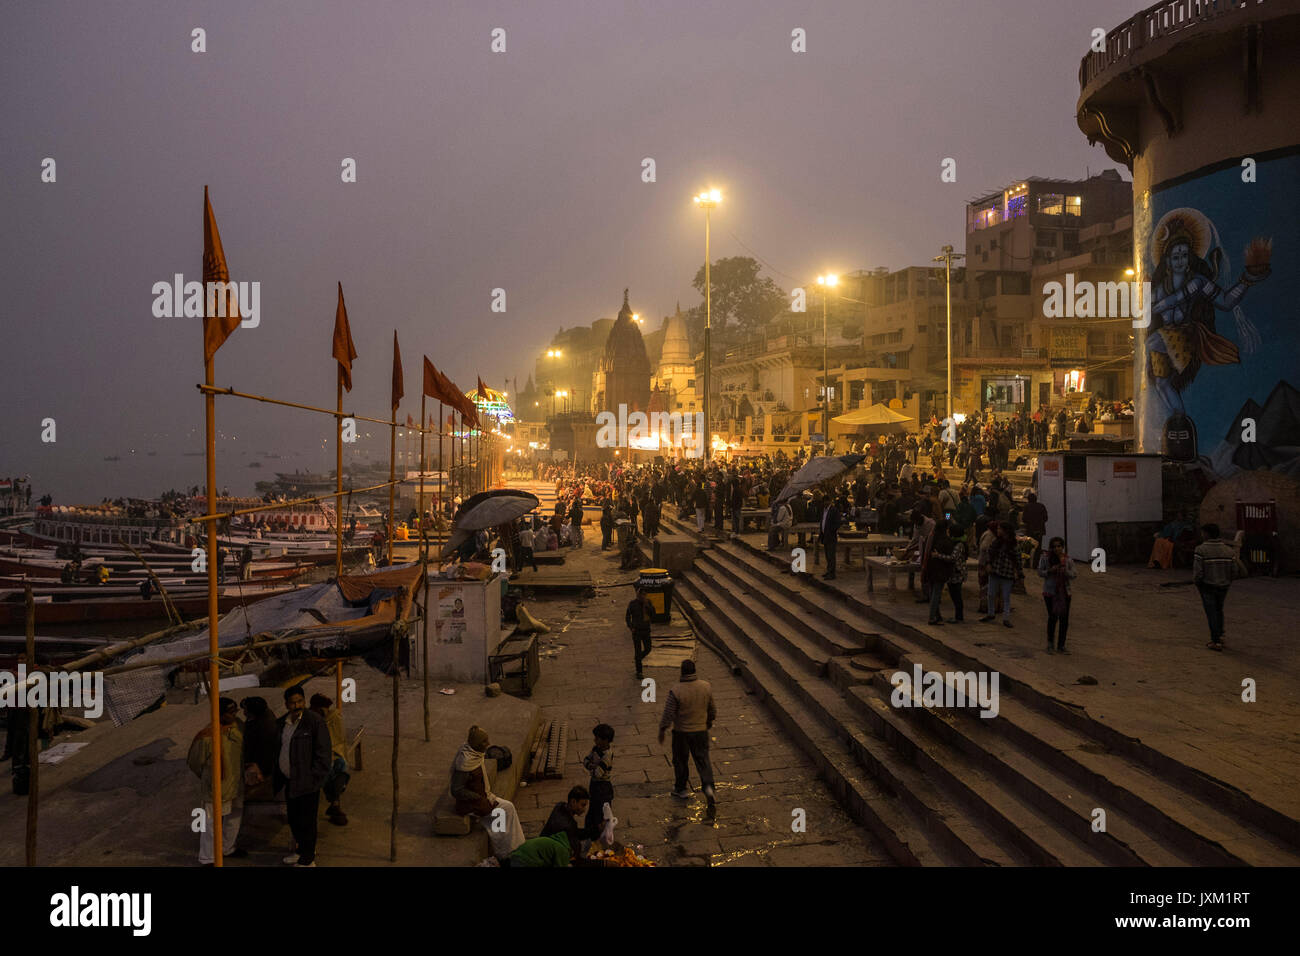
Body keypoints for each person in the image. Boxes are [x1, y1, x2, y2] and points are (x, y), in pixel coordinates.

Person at [274, 686, 333, 867]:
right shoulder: (283, 723)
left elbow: (324, 753)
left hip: (307, 783)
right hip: (290, 781)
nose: (297, 705)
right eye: (293, 702)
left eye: (300, 701)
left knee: (307, 822)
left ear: (304, 701)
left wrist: (315, 779)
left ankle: (308, 860)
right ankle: (301, 852)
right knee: (294, 819)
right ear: (286, 704)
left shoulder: (314, 722)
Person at [449, 725, 524, 863]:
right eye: (484, 741)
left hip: (482, 798)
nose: (488, 744)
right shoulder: (465, 762)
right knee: (502, 812)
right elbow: (456, 790)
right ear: (476, 744)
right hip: (471, 804)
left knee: (508, 807)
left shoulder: (474, 755)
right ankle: (502, 851)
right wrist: (476, 797)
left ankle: (516, 847)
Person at [187, 697, 246, 865]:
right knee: (210, 823)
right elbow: (195, 763)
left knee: (234, 816)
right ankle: (208, 857)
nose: (234, 715)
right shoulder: (206, 737)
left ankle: (227, 847)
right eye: (230, 712)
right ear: (219, 714)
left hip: (236, 783)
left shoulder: (237, 727)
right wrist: (209, 778)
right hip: (216, 787)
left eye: (235, 711)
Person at [658, 660, 717, 811]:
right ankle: (709, 788)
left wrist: (662, 729)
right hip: (700, 731)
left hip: (681, 733)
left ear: (682, 672)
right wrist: (708, 722)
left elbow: (669, 713)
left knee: (680, 760)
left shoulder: (676, 690)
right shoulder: (706, 686)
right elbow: (712, 709)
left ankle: (681, 788)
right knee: (703, 760)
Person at [1193, 523, 1246, 651]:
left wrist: (1198, 582)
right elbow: (1234, 571)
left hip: (1207, 585)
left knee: (1211, 612)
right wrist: (1227, 580)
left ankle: (1215, 641)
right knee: (1218, 609)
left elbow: (1198, 572)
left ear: (1206, 534)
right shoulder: (1228, 550)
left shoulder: (1201, 550)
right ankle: (1221, 635)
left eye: (1203, 533)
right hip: (1223, 585)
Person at [309, 694, 350, 826]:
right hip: (321, 756)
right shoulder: (313, 719)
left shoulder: (334, 718)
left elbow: (337, 741)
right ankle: (335, 804)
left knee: (340, 767)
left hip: (335, 753)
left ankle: (335, 803)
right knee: (329, 770)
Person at [1038, 536, 1077, 654]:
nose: (1057, 549)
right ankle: (1050, 644)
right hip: (1050, 592)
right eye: (1054, 546)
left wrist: (1065, 571)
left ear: (1062, 547)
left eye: (1059, 546)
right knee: (1053, 617)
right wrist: (1050, 571)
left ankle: (1061, 645)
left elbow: (1074, 575)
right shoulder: (1045, 558)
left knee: (1064, 619)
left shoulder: (1068, 560)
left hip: (1064, 592)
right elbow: (1040, 572)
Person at [981, 523, 1023, 627]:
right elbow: (989, 553)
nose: (998, 530)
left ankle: (1006, 618)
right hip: (995, 571)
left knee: (1006, 597)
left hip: (1007, 574)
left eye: (1000, 528)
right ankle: (991, 613)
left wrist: (1019, 573)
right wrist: (988, 564)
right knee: (991, 594)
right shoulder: (996, 541)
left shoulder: (1013, 545)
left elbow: (1018, 560)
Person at [540, 786, 594, 864]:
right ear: (573, 802)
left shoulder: (560, 806)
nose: (584, 809)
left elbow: (574, 832)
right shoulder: (567, 824)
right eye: (582, 805)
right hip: (548, 857)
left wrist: (595, 830)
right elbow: (575, 850)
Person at [239, 696, 279, 797]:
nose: (244, 712)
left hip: (259, 766)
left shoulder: (263, 727)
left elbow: (257, 749)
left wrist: (250, 764)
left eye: (246, 710)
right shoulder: (262, 716)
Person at [581, 724, 615, 840]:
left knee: (601, 813)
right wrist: (592, 766)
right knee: (593, 810)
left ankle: (600, 836)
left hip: (603, 787)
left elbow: (598, 773)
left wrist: (591, 766)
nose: (595, 740)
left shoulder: (607, 756)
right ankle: (591, 833)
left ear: (605, 740)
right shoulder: (596, 749)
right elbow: (585, 760)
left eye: (597, 738)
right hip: (595, 784)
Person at [925, 519, 957, 625]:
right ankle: (932, 617)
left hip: (931, 568)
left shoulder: (931, 538)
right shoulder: (946, 541)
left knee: (933, 592)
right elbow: (950, 557)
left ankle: (937, 616)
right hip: (940, 570)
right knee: (936, 594)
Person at [626, 588, 654, 678]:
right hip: (637, 631)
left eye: (644, 595)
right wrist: (631, 627)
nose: (643, 597)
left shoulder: (648, 602)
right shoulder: (632, 604)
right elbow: (627, 616)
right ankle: (639, 671)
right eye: (641, 595)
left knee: (648, 648)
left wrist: (648, 606)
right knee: (637, 650)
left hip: (646, 630)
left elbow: (653, 614)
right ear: (638, 595)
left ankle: (638, 659)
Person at [820, 494, 844, 581]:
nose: (825, 503)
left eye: (826, 501)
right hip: (825, 535)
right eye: (824, 501)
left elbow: (838, 523)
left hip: (831, 536)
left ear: (829, 501)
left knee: (831, 555)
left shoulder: (834, 510)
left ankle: (832, 573)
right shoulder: (824, 510)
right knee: (827, 555)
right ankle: (829, 571)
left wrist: (831, 530)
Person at [1022, 492, 1048, 567]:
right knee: (1038, 548)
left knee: (1027, 547)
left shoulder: (1027, 507)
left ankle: (1027, 563)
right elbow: (1046, 518)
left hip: (1030, 530)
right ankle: (1035, 564)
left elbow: (1024, 519)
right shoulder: (1042, 506)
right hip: (1039, 530)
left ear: (1028, 499)